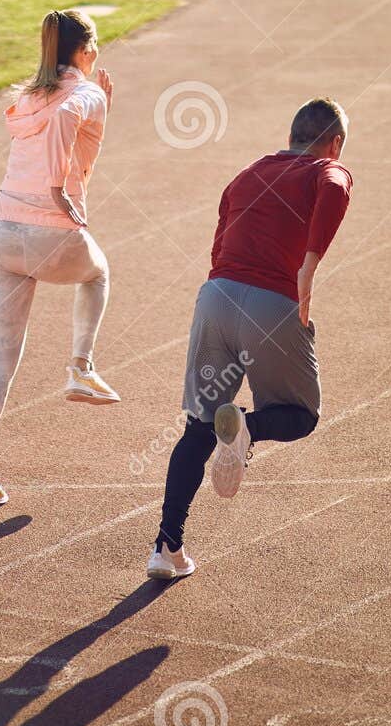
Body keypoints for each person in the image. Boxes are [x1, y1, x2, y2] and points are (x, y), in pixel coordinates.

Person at [147, 98, 353, 578]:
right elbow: (334, 185)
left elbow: (219, 243)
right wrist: (309, 265)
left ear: (290, 135)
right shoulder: (329, 170)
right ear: (335, 144)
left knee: (198, 428)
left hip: (215, 298)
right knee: (301, 417)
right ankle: (246, 426)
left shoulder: (246, 173)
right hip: (272, 306)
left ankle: (165, 547)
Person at [0, 9, 120, 507]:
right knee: (98, 274)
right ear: (86, 50)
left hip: (2, 231)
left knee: (1, 360)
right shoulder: (84, 94)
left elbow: (63, 123)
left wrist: (103, 105)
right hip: (50, 230)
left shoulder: (32, 93)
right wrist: (57, 187)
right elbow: (68, 120)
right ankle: (80, 367)